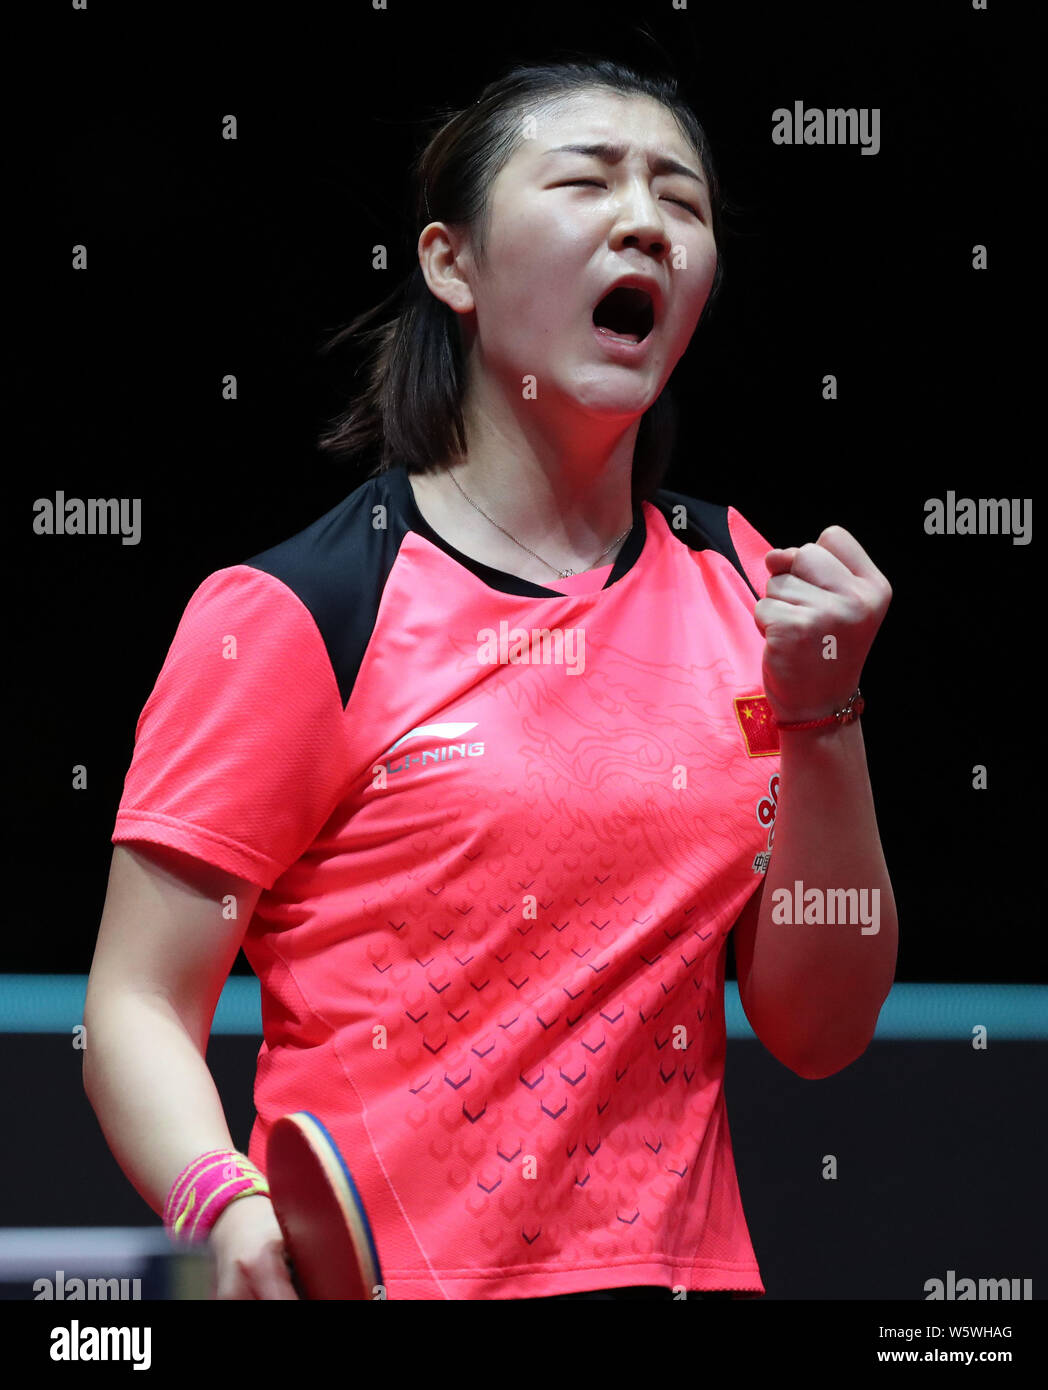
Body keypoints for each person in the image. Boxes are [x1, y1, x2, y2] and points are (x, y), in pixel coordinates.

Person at [84, 55, 897, 1301]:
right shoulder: (304, 614)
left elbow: (819, 1030)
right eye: (587, 180)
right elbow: (138, 999)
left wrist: (826, 714)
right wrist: (219, 1199)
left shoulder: (744, 580)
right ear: (451, 263)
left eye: (682, 201)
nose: (646, 220)